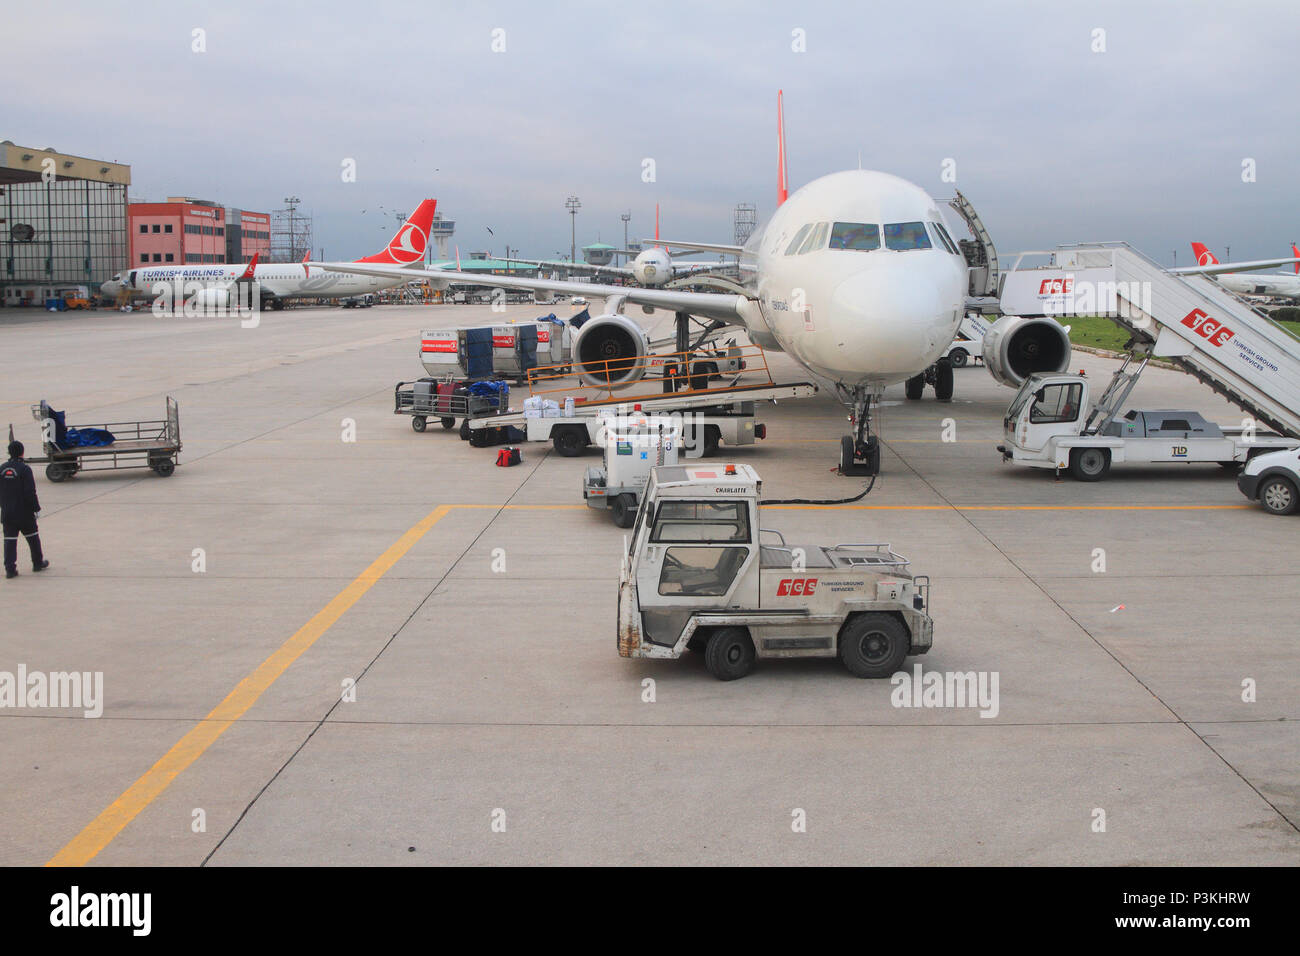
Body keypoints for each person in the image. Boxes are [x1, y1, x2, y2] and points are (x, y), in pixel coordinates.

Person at [1, 441, 49, 578]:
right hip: (24, 513)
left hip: (7, 512)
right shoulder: (24, 469)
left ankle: (10, 569)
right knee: (33, 538)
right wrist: (36, 508)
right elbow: (30, 492)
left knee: (9, 540)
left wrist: (4, 506)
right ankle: (37, 563)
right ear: (22, 452)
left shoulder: (2, 468)